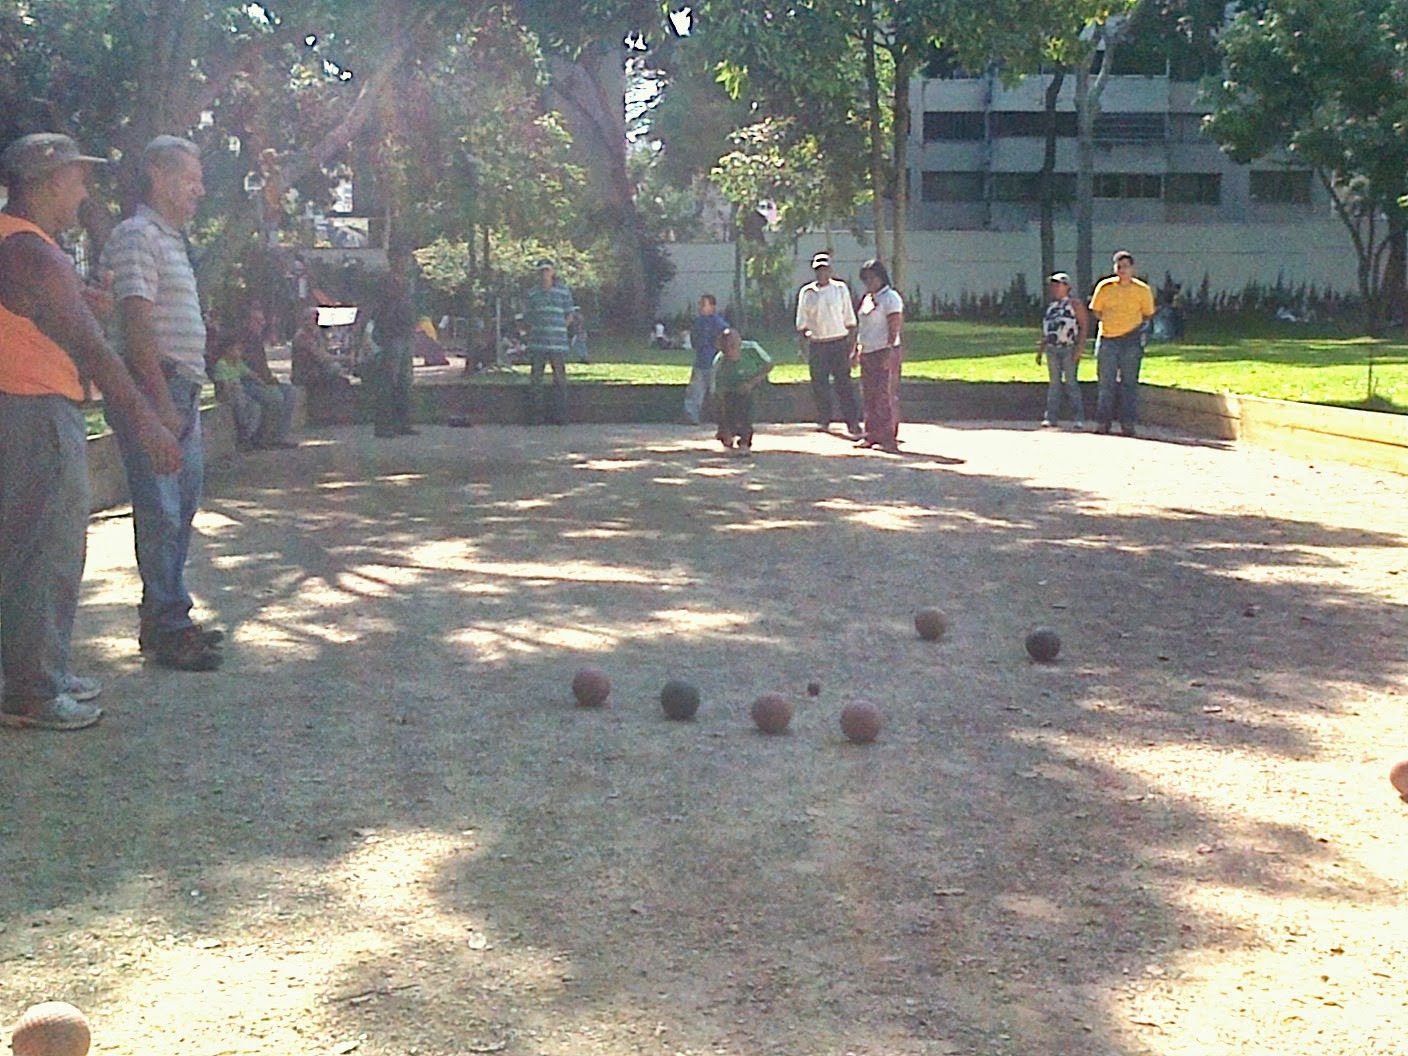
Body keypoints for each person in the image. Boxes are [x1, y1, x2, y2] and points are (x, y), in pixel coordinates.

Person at [0, 132, 182, 728]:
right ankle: (33, 689)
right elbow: (96, 352)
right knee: (48, 551)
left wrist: (77, 300)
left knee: (23, 546)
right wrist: (150, 424)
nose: (84, 192)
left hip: (19, 406)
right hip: (35, 410)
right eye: (78, 179)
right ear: (50, 181)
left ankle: (35, 668)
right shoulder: (36, 253)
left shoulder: (15, 245)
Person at [100, 134, 225, 671]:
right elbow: (136, 321)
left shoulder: (172, 240)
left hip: (182, 388)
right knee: (161, 512)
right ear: (158, 175)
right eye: (190, 179)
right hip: (159, 389)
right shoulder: (137, 236)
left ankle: (166, 617)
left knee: (180, 510)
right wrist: (158, 402)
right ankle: (169, 625)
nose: (199, 190)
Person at [1089, 249, 1156, 437]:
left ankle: (1128, 424)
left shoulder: (1142, 290)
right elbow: (1096, 310)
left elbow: (1148, 313)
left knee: (1129, 384)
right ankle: (1103, 423)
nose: (1122, 270)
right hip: (1108, 339)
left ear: (1132, 268)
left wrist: (1132, 327)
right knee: (1106, 384)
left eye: (1125, 266)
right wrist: (1110, 323)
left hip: (1131, 340)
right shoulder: (1105, 287)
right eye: (1118, 266)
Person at [795, 251, 861, 438]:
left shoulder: (840, 289)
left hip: (838, 342)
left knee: (844, 384)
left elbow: (849, 319)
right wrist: (803, 344)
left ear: (830, 270)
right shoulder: (807, 292)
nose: (821, 273)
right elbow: (802, 321)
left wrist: (852, 345)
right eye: (818, 270)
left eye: (824, 269)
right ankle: (824, 419)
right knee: (819, 385)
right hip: (817, 344)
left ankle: (852, 422)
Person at [223, 302, 297, 447]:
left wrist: (270, 379)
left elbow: (262, 367)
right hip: (245, 382)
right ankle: (260, 438)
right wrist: (263, 381)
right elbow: (242, 367)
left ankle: (279, 436)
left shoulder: (257, 339)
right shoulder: (239, 340)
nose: (261, 324)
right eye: (257, 321)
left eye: (262, 321)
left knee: (290, 392)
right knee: (275, 397)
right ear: (247, 322)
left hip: (261, 381)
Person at [854, 259, 904, 454]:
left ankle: (888, 437)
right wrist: (857, 349)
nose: (869, 282)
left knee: (884, 394)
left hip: (884, 350)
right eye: (865, 279)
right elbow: (863, 327)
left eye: (872, 278)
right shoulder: (867, 299)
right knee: (869, 394)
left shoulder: (890, 298)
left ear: (881, 277)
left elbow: (894, 326)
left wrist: (889, 351)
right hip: (868, 350)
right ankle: (871, 434)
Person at [367, 246, 418, 437]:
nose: (406, 262)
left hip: (406, 333)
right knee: (388, 380)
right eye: (403, 258)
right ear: (394, 259)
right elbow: (375, 306)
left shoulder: (408, 281)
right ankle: (383, 425)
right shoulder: (385, 281)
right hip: (390, 334)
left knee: (404, 381)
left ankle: (402, 422)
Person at [524, 257, 577, 425]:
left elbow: (570, 313)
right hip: (537, 342)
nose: (544, 274)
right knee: (536, 380)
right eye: (541, 271)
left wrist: (561, 327)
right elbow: (527, 316)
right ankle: (536, 416)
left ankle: (560, 416)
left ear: (553, 272)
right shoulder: (532, 293)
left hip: (558, 343)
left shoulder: (563, 292)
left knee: (560, 380)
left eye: (547, 270)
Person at [1036, 272, 1090, 429]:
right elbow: (1047, 331)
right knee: (1054, 384)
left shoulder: (1075, 305)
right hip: (1052, 349)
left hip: (1069, 348)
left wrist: (1079, 348)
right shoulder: (1052, 307)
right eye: (1053, 285)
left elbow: (1083, 327)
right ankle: (1051, 417)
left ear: (1067, 286)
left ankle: (1079, 418)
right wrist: (1040, 350)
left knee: (1071, 383)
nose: (1055, 288)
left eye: (1058, 285)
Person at [711, 327, 772, 455]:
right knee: (730, 409)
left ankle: (744, 442)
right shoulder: (720, 363)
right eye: (728, 347)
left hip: (755, 385)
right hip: (731, 390)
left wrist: (751, 383)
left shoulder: (752, 348)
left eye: (735, 345)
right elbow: (718, 392)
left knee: (747, 410)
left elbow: (769, 365)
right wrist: (723, 421)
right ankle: (727, 433)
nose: (732, 351)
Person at [685, 293, 729, 426]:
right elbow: (694, 338)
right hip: (701, 361)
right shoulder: (698, 322)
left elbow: (727, 335)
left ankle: (723, 417)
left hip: (714, 362)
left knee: (716, 391)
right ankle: (691, 416)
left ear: (712, 307)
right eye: (700, 304)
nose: (700, 307)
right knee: (695, 391)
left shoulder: (718, 322)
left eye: (704, 304)